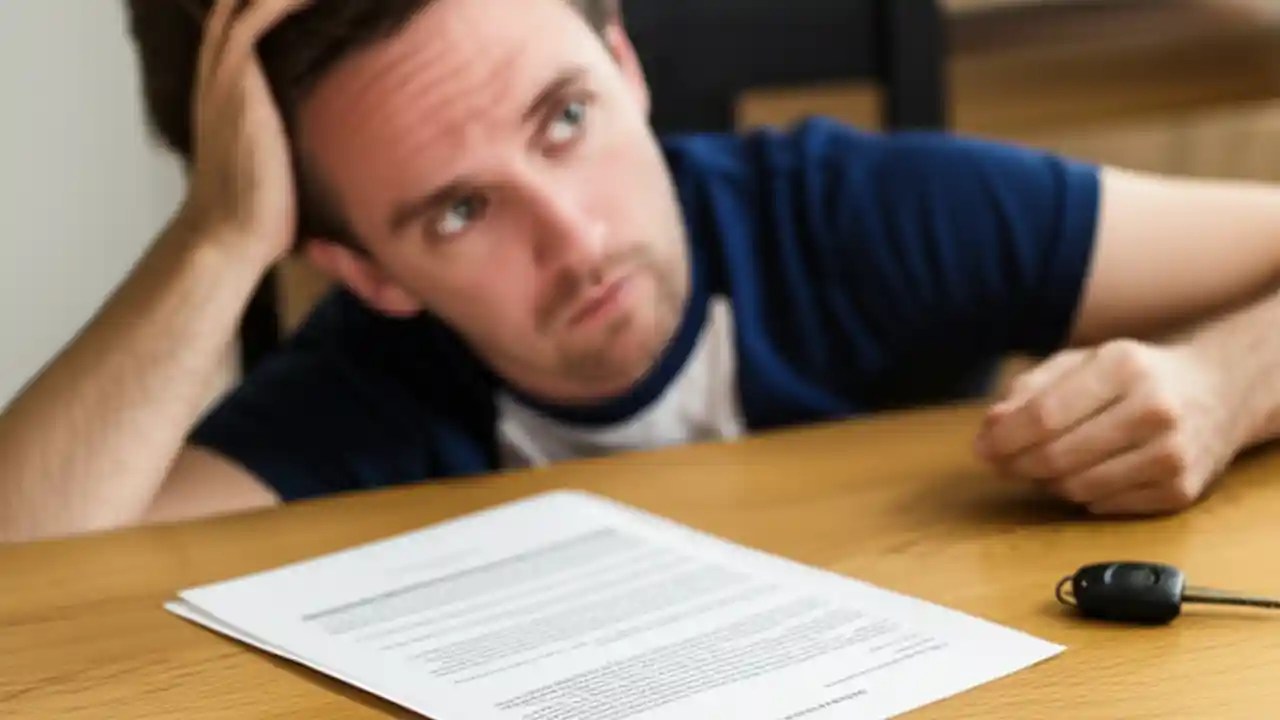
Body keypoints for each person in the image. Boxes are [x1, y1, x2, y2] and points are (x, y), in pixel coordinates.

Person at [3, 0, 1280, 543]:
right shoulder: (358, 399)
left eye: (564, 117)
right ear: (364, 270)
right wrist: (216, 240)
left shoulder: (862, 215)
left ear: (625, 68)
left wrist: (1223, 382)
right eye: (458, 211)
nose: (574, 239)